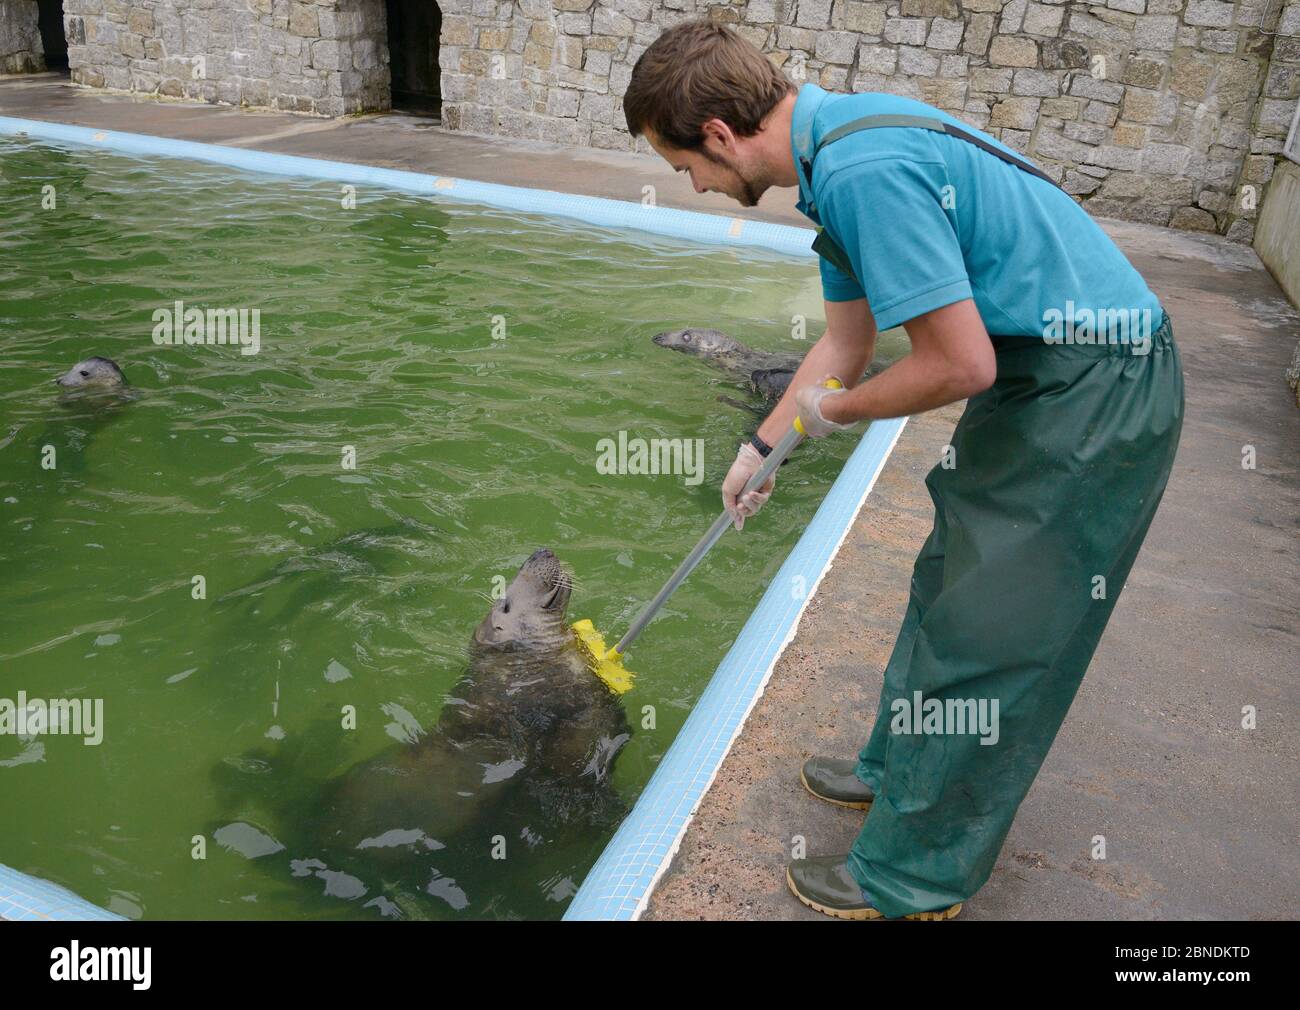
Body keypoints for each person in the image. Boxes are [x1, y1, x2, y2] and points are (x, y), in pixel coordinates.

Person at [622, 20, 1184, 920]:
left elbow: (959, 366)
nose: (694, 184)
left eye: (686, 164)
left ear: (721, 136)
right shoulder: (832, 155)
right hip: (1046, 367)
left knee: (996, 628)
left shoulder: (863, 172)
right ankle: (895, 766)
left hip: (1097, 385)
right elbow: (845, 343)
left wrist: (837, 414)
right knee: (947, 579)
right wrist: (760, 450)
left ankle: (915, 877)